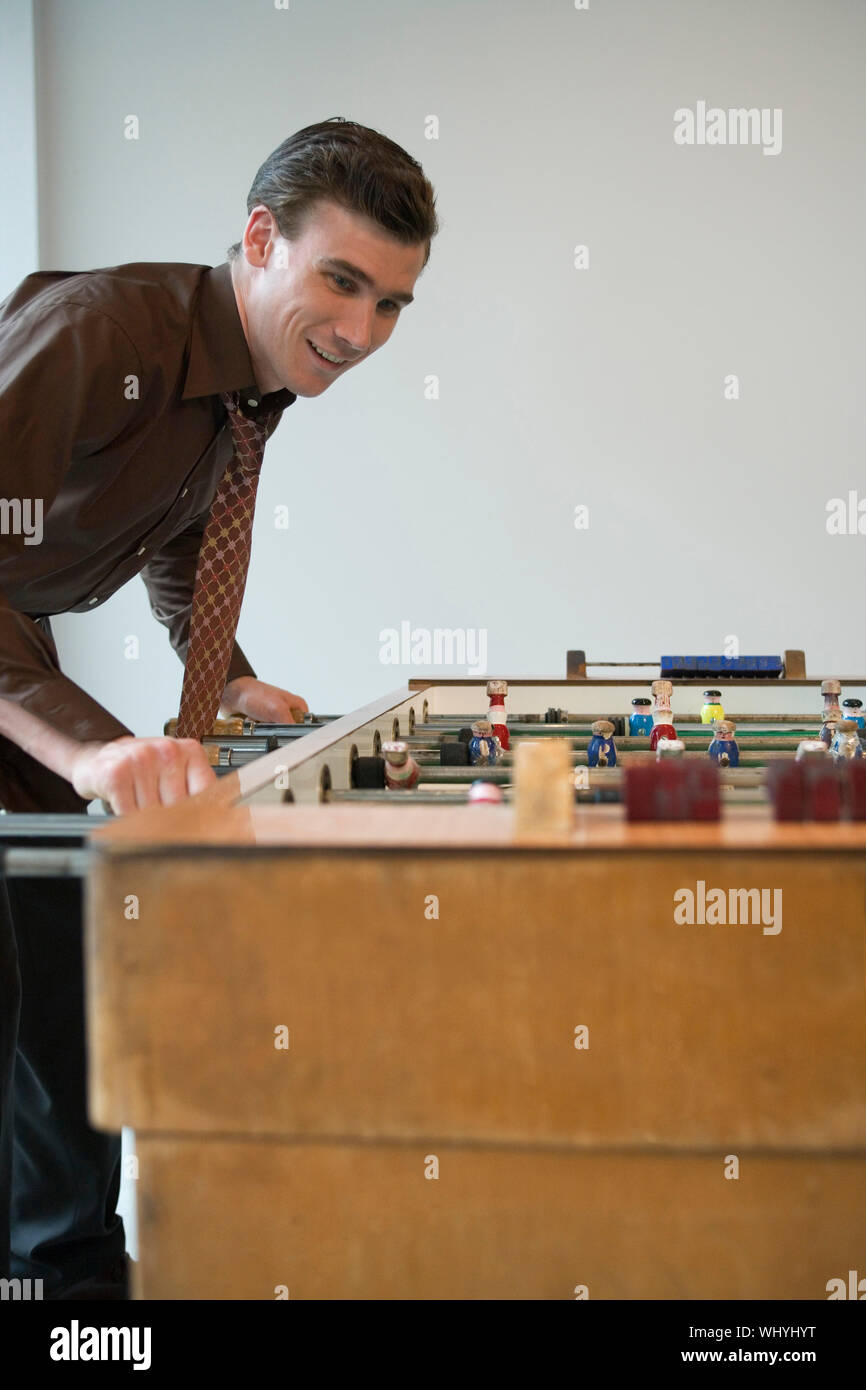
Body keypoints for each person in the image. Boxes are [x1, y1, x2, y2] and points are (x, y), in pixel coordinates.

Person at [0, 117, 438, 1297]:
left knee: (63, 945)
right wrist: (92, 750)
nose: (359, 333)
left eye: (391, 304)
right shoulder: (105, 332)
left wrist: (224, 668)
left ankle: (70, 1279)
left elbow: (179, 543)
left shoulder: (243, 395)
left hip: (12, 648)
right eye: (340, 281)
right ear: (260, 240)